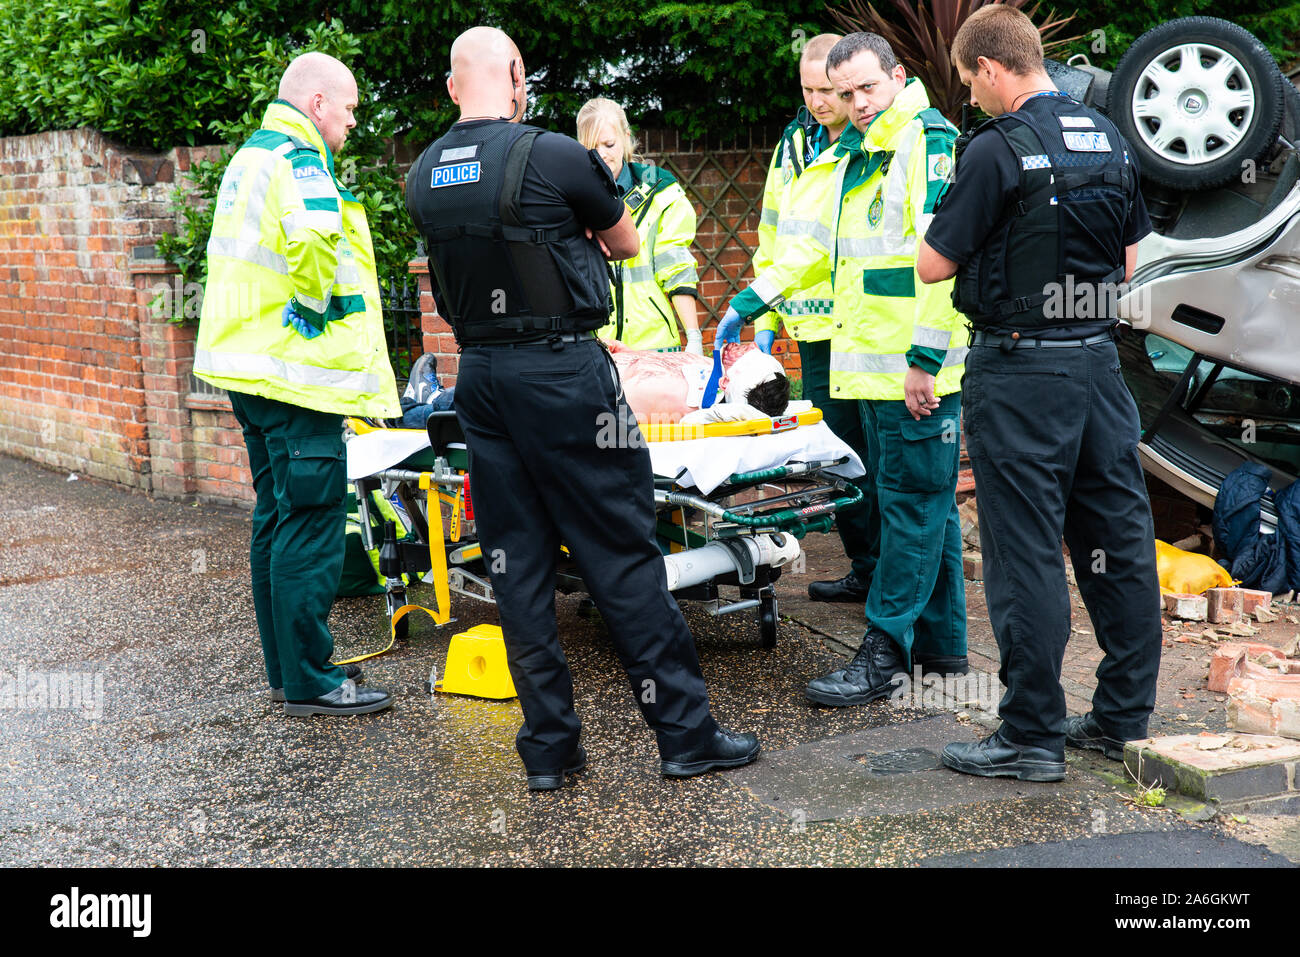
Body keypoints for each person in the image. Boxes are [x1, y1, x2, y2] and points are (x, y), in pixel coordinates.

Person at [404, 26, 759, 790]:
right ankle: (686, 737)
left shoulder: (424, 172)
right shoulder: (556, 155)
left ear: (451, 87)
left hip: (482, 380)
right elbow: (627, 243)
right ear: (518, 77)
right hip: (563, 373)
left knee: (518, 564)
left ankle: (551, 752)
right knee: (621, 555)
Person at [917, 4, 1162, 781]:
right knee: (1118, 544)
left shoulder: (996, 149)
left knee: (1024, 551)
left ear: (992, 68)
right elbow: (1128, 260)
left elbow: (933, 263)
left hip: (1022, 371)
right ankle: (1122, 717)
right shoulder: (1109, 138)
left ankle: (1029, 736)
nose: (970, 97)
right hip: (1098, 366)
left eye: (968, 83)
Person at [722, 32, 969, 706]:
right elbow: (809, 247)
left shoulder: (925, 140)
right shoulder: (858, 151)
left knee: (911, 508)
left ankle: (884, 653)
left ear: (897, 75)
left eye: (867, 88)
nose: (856, 103)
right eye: (844, 93)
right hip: (877, 366)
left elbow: (943, 254)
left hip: (912, 369)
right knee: (927, 507)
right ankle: (944, 649)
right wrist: (751, 300)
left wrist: (924, 358)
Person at [194, 52, 400, 716]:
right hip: (295, 376)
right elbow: (314, 239)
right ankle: (313, 678)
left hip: (248, 371)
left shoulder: (250, 157)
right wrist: (314, 310)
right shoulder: (301, 159)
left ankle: (286, 673)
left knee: (275, 514)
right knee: (310, 521)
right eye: (348, 108)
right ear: (317, 103)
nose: (351, 122)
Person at [752, 31, 879, 605]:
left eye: (826, 90)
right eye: (807, 90)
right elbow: (773, 233)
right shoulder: (792, 144)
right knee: (839, 455)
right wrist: (766, 312)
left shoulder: (867, 139)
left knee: (873, 455)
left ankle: (884, 574)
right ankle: (864, 567)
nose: (818, 101)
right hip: (810, 329)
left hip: (859, 326)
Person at [578, 98, 703, 354]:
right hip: (597, 346)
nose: (602, 154)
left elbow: (676, 266)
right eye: (592, 147)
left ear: (625, 137)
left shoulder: (660, 191)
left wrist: (694, 337)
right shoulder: (572, 197)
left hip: (655, 345)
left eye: (609, 144)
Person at [607, 340, 790, 422]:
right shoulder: (711, 373)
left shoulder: (677, 397)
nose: (752, 344)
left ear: (725, 383)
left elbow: (604, 391)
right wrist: (627, 353)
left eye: (747, 353)